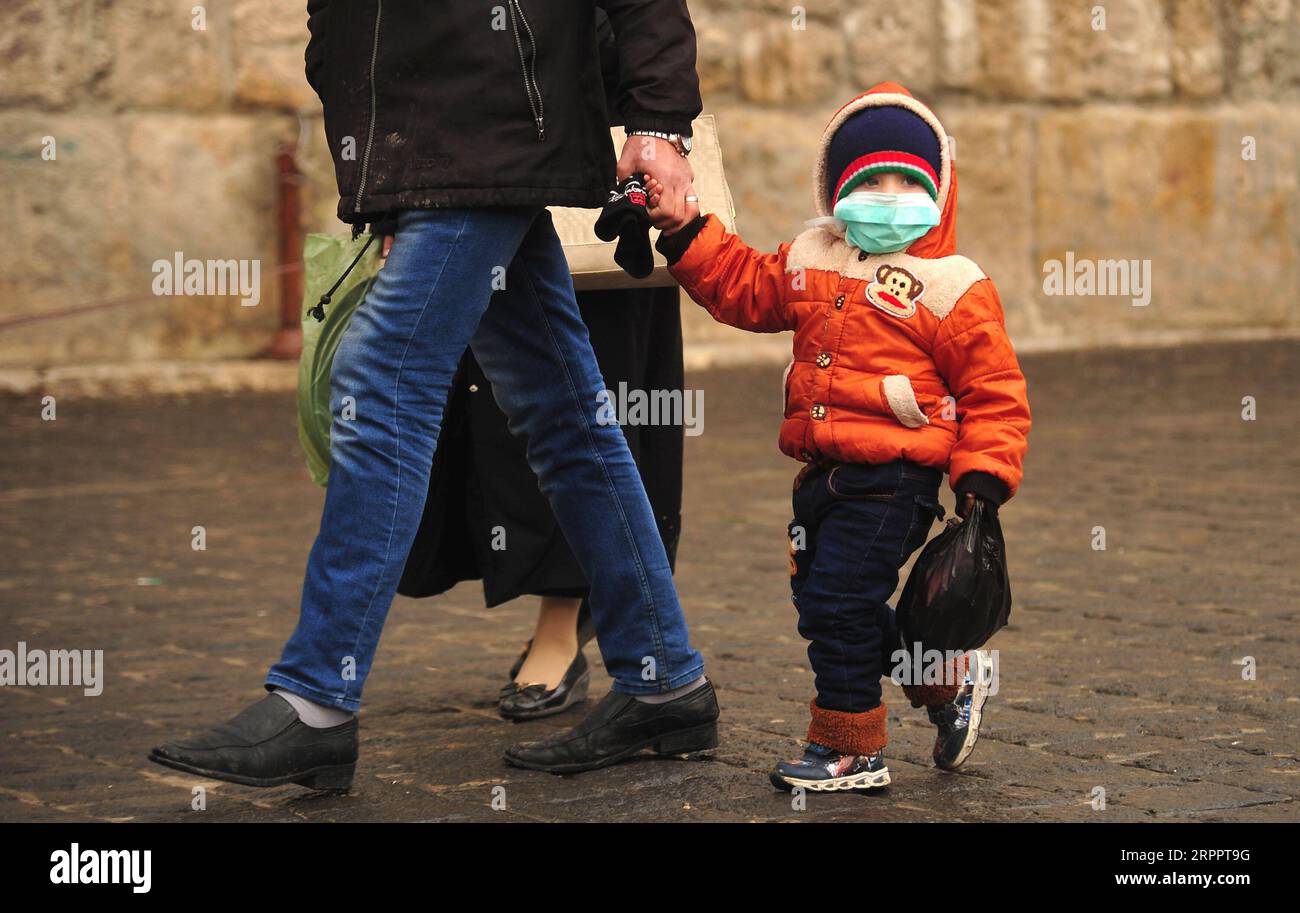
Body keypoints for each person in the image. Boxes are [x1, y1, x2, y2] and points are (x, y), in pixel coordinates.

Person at [149, 0, 717, 792]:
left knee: (380, 387)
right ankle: (665, 680)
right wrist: (382, 183)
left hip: (496, 129)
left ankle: (315, 700)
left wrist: (658, 120)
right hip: (442, 147)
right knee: (563, 413)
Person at [646, 82, 1031, 792]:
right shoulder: (812, 256)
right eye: (870, 180)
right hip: (819, 476)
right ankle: (944, 681)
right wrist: (683, 230)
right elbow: (743, 286)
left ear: (937, 189)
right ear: (838, 187)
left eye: (906, 181)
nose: (888, 196)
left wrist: (982, 478)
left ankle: (851, 744)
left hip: (896, 479)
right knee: (828, 605)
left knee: (839, 605)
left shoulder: (953, 285)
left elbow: (995, 392)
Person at [396, 9, 688, 723]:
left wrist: (656, 125)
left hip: (600, 162)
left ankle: (565, 626)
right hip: (472, 161)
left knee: (594, 401)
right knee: (495, 402)